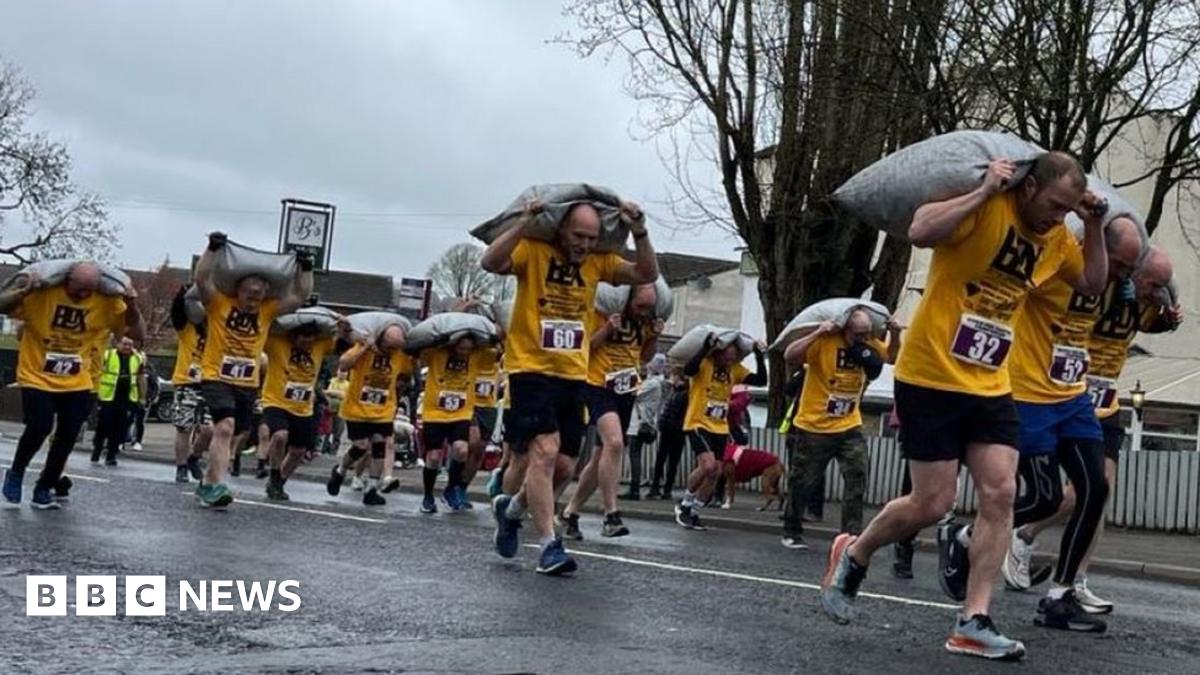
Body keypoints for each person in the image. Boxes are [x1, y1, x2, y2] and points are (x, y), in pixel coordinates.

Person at [819, 152, 1109, 661]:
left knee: (1000, 492)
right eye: (1054, 204)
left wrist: (1093, 225)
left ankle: (973, 620)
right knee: (932, 504)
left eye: (1068, 209)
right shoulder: (989, 207)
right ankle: (856, 551)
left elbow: (1091, 284)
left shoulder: (1059, 238)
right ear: (1028, 188)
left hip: (992, 381)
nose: (1057, 216)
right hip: (931, 373)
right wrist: (981, 191)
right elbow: (921, 230)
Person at [960, 216, 1139, 635]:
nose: (1122, 276)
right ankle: (969, 534)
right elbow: (1007, 284)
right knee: (1041, 499)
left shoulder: (1109, 284)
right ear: (1096, 248)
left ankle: (1060, 596)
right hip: (1028, 393)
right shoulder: (1060, 263)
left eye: (1130, 269)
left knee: (1095, 488)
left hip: (1073, 396)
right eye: (1120, 266)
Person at [1004, 244, 1182, 613]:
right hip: (1071, 393)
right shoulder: (1094, 283)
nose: (1154, 292)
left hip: (1107, 400)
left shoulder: (1142, 300)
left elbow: (1150, 322)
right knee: (1066, 492)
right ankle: (1024, 534)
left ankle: (1075, 579)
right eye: (1151, 283)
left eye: (1159, 287)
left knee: (1099, 492)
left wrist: (1168, 319)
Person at [484, 198, 658, 576]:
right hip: (530, 368)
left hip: (572, 372)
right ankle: (549, 544)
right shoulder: (533, 251)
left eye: (592, 237)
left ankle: (511, 509)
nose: (584, 244)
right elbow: (491, 262)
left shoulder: (600, 263)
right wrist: (525, 221)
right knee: (543, 452)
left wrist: (640, 230)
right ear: (561, 229)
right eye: (578, 235)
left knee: (565, 466)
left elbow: (646, 271)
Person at [1, 262, 144, 508]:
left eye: (89, 290)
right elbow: (3, 306)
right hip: (37, 375)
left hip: (77, 380)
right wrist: (25, 291)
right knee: (40, 426)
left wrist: (131, 303)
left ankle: (45, 486)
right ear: (67, 281)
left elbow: (137, 332)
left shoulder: (105, 301)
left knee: (68, 435)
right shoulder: (43, 295)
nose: (83, 296)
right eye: (78, 290)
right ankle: (16, 472)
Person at [193, 232, 313, 508]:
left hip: (247, 381)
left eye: (258, 296)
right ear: (239, 290)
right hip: (216, 374)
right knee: (225, 426)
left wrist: (306, 267)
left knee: (237, 433)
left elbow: (299, 295)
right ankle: (217, 485)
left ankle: (208, 482)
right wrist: (212, 249)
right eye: (249, 295)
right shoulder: (219, 302)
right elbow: (202, 279)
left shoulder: (267, 310)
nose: (253, 301)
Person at [780, 311, 900, 550]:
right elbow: (790, 355)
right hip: (815, 427)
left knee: (857, 478)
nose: (862, 339)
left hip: (849, 424)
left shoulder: (867, 342)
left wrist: (895, 334)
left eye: (866, 334)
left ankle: (850, 536)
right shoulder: (825, 342)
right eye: (857, 335)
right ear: (845, 330)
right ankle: (791, 530)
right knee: (803, 482)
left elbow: (892, 357)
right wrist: (818, 332)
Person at [558, 283, 664, 539]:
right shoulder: (602, 312)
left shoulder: (645, 322)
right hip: (597, 384)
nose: (643, 311)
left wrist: (655, 335)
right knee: (615, 444)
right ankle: (611, 514)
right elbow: (584, 348)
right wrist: (607, 329)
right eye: (639, 306)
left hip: (626, 388)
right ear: (626, 300)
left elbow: (645, 357)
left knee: (600, 458)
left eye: (647, 308)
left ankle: (570, 513)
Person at [674, 334, 768, 530]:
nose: (729, 361)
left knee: (715, 472)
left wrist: (759, 356)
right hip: (698, 422)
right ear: (718, 353)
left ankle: (695, 511)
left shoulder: (734, 369)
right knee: (708, 466)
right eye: (726, 357)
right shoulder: (705, 364)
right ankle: (684, 504)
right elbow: (689, 370)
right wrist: (704, 349)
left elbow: (760, 380)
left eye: (733, 358)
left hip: (720, 425)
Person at [326, 322, 414, 506]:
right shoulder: (363, 348)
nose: (391, 351)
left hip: (383, 409)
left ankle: (372, 489)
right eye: (388, 347)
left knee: (379, 446)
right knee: (361, 446)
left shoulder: (399, 355)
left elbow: (410, 370)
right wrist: (365, 347)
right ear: (380, 340)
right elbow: (343, 364)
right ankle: (340, 471)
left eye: (394, 348)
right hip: (357, 408)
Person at [261, 320, 337, 501]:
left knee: (298, 451)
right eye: (303, 339)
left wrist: (341, 325)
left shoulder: (319, 346)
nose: (307, 343)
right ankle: (273, 474)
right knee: (280, 436)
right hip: (276, 401)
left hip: (303, 408)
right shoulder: (277, 344)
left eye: (311, 339)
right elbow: (264, 329)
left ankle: (278, 482)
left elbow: (339, 336)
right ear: (294, 336)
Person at [418, 333, 487, 513]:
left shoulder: (475, 356)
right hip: (434, 413)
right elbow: (421, 349)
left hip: (461, 412)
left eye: (468, 349)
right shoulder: (437, 354)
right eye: (461, 348)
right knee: (433, 457)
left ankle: (451, 487)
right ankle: (428, 496)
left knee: (462, 449)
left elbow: (497, 345)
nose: (464, 352)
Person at [167, 285, 212, 483]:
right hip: (187, 382)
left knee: (209, 429)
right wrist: (184, 292)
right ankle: (181, 466)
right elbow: (177, 311)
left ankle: (195, 456)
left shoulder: (218, 330)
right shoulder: (188, 329)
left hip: (211, 383)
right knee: (184, 427)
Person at [90, 336, 146, 466]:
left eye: (130, 345)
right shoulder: (108, 355)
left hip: (127, 398)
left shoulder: (138, 358)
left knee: (120, 427)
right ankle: (97, 450)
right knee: (104, 425)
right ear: (117, 343)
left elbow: (140, 378)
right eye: (125, 344)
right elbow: (96, 372)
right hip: (108, 397)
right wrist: (94, 391)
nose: (127, 347)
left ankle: (111, 455)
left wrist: (142, 397)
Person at [626, 353, 666, 501]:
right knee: (635, 454)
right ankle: (633, 487)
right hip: (644, 422)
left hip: (639, 423)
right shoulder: (656, 382)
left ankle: (634, 489)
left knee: (634, 455)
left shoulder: (652, 383)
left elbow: (633, 394)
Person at [647, 366, 688, 500]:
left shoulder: (680, 393)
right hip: (675, 430)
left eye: (673, 376)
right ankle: (665, 489)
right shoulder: (679, 392)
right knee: (671, 461)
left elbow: (672, 412)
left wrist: (663, 423)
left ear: (678, 377)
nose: (671, 378)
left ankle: (658, 488)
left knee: (664, 459)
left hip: (672, 430)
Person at [129, 358, 157, 451]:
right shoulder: (132, 368)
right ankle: (123, 440)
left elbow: (154, 386)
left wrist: (150, 398)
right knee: (128, 420)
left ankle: (137, 441)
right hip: (132, 398)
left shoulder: (149, 372)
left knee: (139, 422)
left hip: (144, 400)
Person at [322, 369, 349, 454]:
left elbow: (346, 396)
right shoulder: (331, 381)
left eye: (344, 372)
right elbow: (326, 392)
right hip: (329, 410)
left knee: (338, 432)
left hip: (341, 411)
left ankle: (333, 452)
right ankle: (324, 449)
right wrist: (339, 394)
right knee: (327, 430)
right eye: (341, 371)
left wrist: (333, 393)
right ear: (337, 372)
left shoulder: (348, 384)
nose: (342, 374)